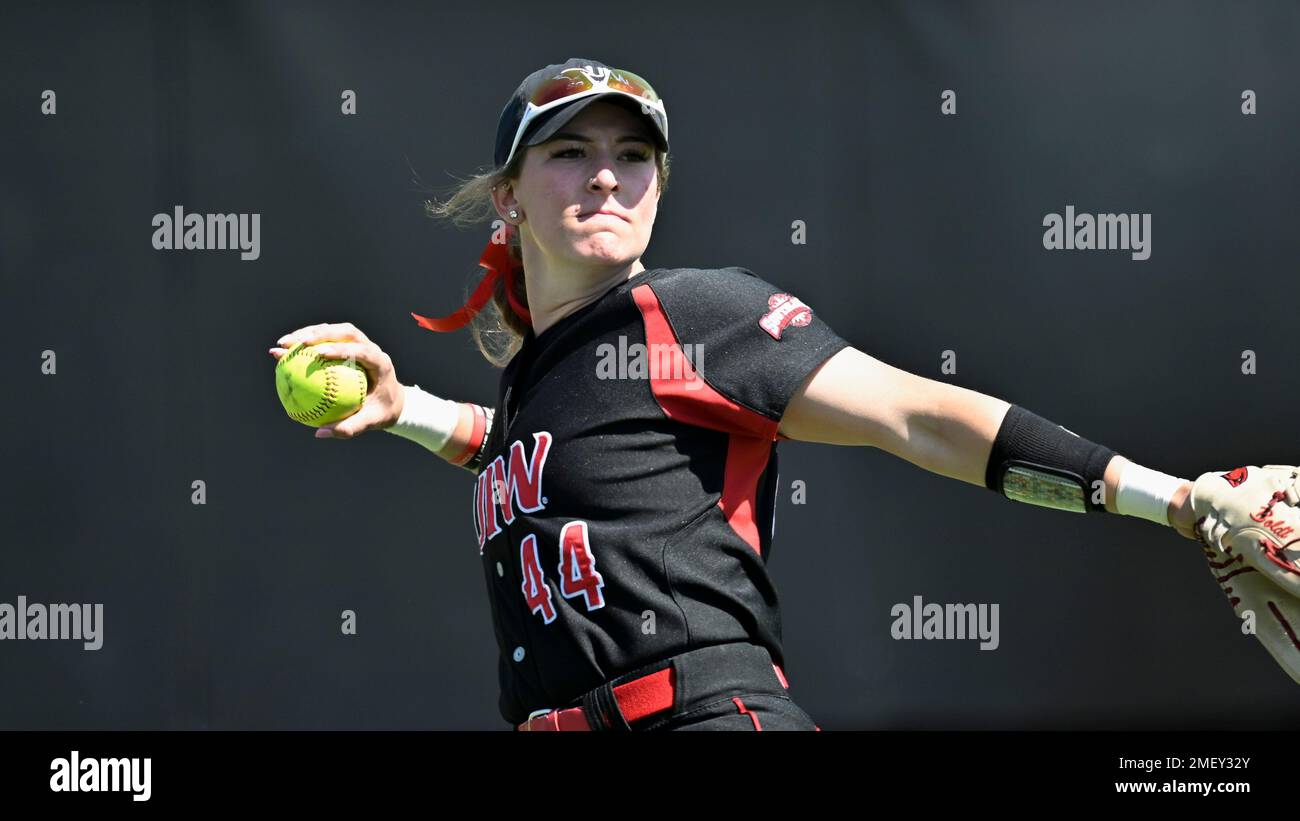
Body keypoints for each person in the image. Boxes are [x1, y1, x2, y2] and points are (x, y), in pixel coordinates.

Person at [268, 58, 1202, 731]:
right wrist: (409, 409)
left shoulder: (691, 313)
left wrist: (1178, 500)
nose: (606, 171)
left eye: (633, 154)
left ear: (656, 189)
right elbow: (551, 453)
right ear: (509, 199)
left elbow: (913, 414)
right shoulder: (537, 383)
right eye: (569, 149)